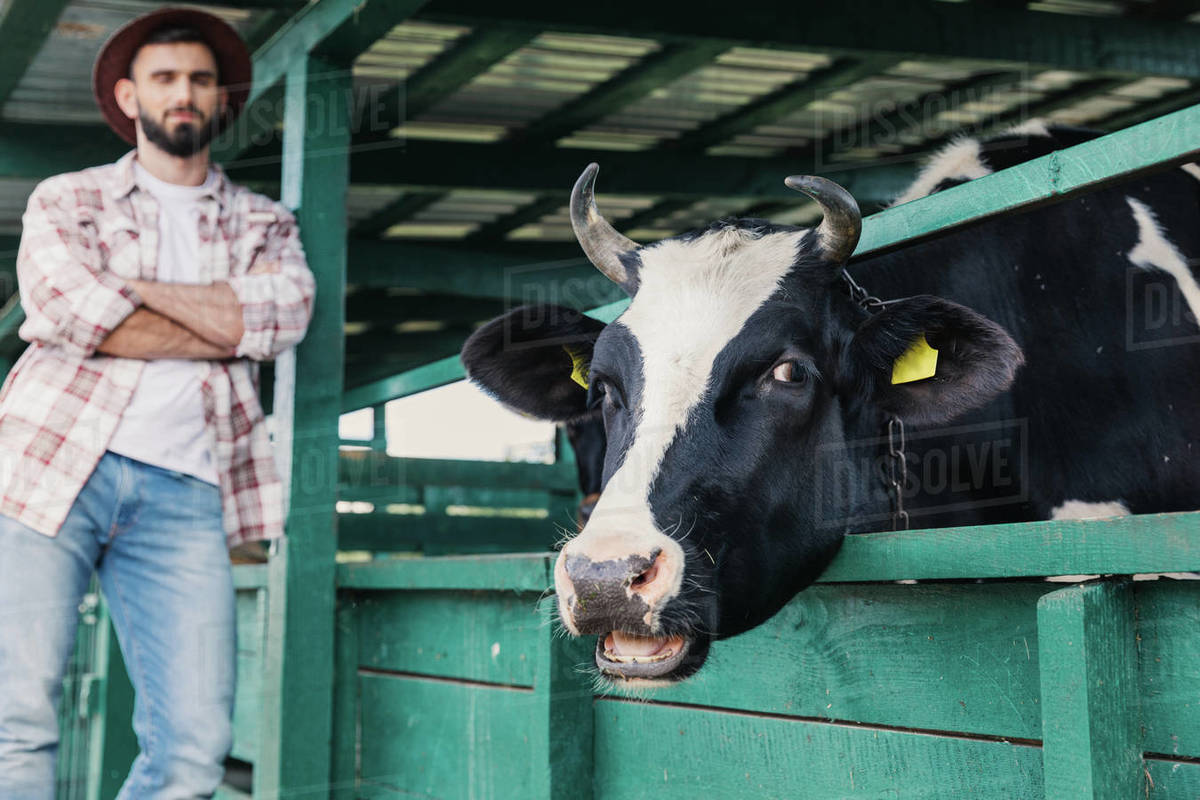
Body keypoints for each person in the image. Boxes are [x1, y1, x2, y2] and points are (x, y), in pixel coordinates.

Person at [0, 8, 315, 798]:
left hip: (189, 492)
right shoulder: (67, 198)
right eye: (165, 78)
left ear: (220, 100)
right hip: (47, 473)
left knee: (195, 747)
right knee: (17, 720)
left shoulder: (266, 223)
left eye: (200, 80)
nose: (184, 93)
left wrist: (130, 293)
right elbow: (68, 309)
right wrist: (218, 321)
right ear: (128, 96)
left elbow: (280, 318)